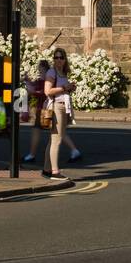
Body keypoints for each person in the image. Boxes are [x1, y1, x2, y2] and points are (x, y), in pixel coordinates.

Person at [42, 48, 81, 180]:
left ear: (65, 60)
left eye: (61, 57)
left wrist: (70, 88)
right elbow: (47, 91)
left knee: (52, 140)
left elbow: (61, 90)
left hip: (63, 107)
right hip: (56, 107)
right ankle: (54, 172)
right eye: (56, 57)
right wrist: (64, 88)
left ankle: (47, 169)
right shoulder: (52, 72)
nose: (58, 60)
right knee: (56, 140)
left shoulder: (63, 73)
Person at [23, 59, 50, 164]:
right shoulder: (42, 80)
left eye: (40, 68)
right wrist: (27, 81)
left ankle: (32, 155)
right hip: (41, 108)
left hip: (43, 109)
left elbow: (43, 93)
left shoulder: (47, 80)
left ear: (44, 69)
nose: (39, 70)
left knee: (54, 133)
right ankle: (74, 151)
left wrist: (33, 92)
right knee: (56, 133)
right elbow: (34, 86)